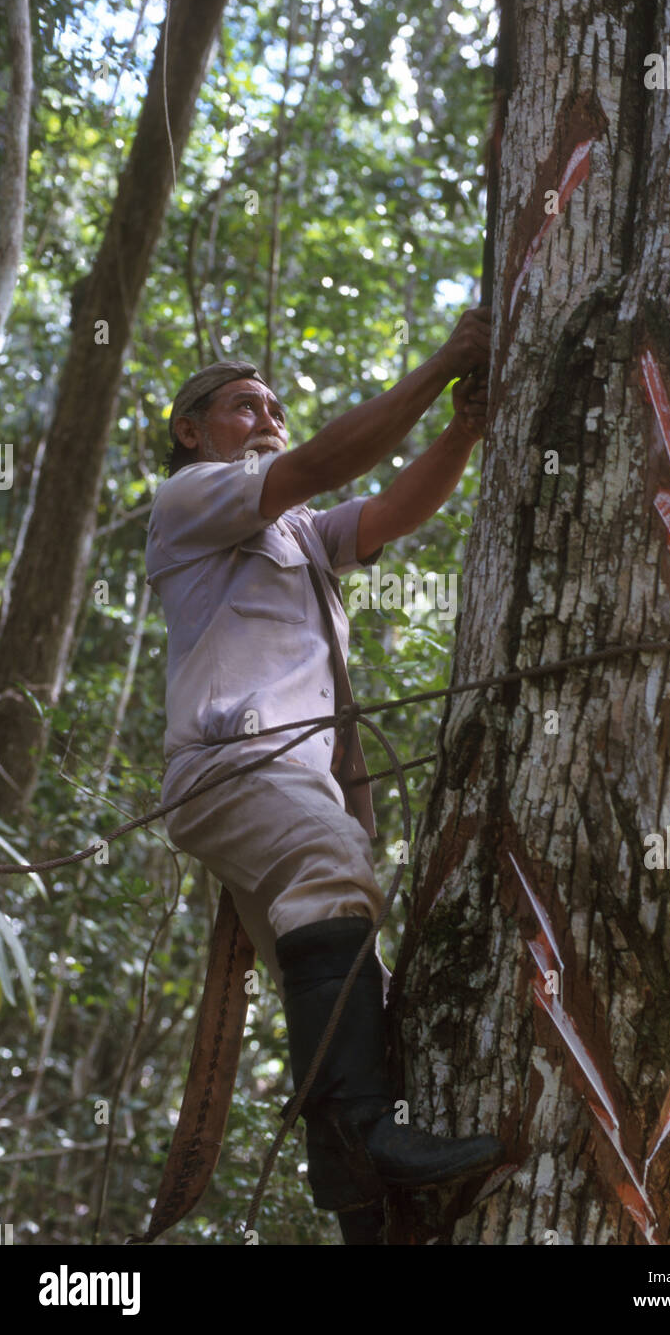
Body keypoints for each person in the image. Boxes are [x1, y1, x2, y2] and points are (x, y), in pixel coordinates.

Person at [145, 308, 504, 1243]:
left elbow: (384, 513)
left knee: (351, 987)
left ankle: (361, 1212)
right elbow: (316, 467)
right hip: (238, 762)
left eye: (273, 406)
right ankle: (368, 1134)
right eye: (242, 406)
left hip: (281, 777)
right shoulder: (193, 497)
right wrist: (442, 365)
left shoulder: (298, 533)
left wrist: (464, 427)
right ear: (192, 432)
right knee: (335, 874)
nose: (266, 418)